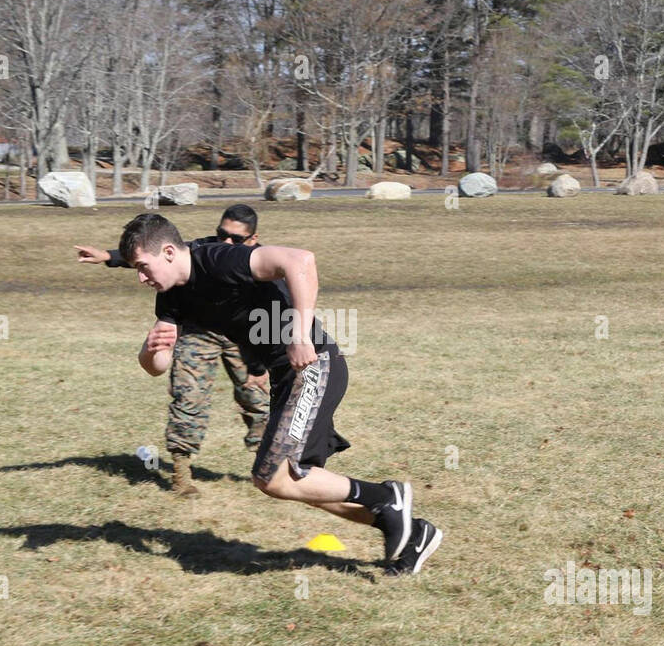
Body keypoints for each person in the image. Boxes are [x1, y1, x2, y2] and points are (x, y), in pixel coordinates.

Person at [114, 211, 444, 575]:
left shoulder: (217, 259)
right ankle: (414, 533)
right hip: (285, 377)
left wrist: (300, 334)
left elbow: (300, 260)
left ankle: (387, 498)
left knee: (272, 476)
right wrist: (148, 350)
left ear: (170, 253)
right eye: (136, 270)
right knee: (299, 482)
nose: (142, 278)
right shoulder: (171, 296)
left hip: (312, 364)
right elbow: (158, 365)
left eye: (144, 266)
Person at [74, 205, 269, 497]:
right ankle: (181, 473)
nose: (226, 243)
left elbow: (274, 301)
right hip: (199, 333)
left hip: (242, 336)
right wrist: (109, 257)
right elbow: (156, 255)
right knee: (188, 397)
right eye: (221, 234)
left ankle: (267, 466)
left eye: (236, 240)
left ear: (253, 239)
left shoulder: (257, 261)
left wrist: (263, 361)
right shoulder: (203, 250)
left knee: (258, 399)